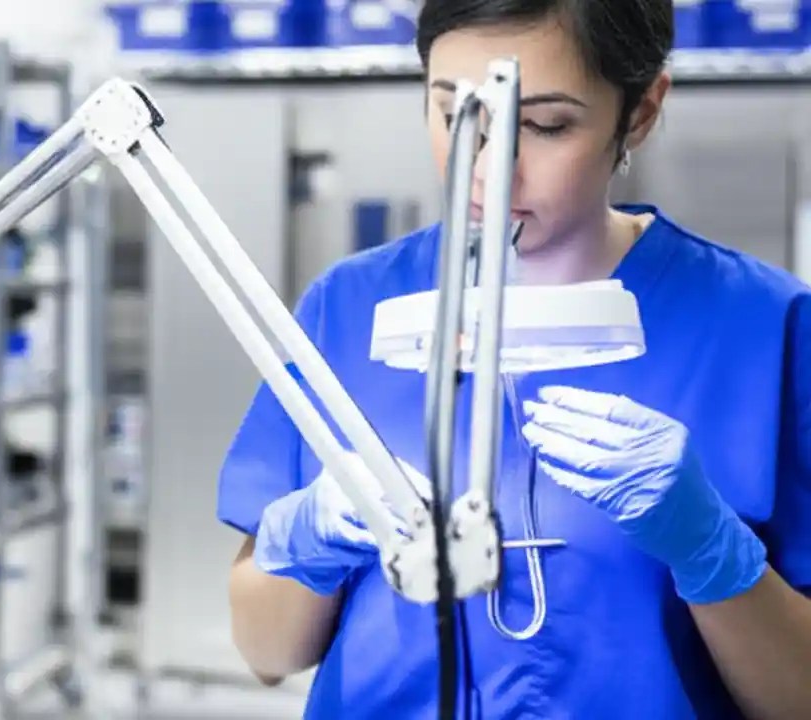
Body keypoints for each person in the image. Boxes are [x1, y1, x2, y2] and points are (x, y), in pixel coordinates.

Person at [216, 0, 811, 717]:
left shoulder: (765, 325)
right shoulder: (349, 306)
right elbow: (267, 654)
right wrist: (309, 537)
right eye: (455, 115)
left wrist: (713, 553)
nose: (488, 169)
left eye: (546, 125)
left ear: (641, 111)